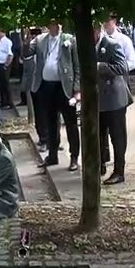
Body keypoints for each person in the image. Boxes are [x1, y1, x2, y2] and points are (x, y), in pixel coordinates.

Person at [27, 21, 81, 171]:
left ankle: (74, 157)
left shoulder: (69, 40)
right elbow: (27, 53)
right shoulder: (41, 40)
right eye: (52, 25)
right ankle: (52, 155)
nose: (55, 28)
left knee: (71, 124)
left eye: (58, 25)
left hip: (64, 87)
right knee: (51, 122)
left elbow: (77, 66)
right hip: (46, 86)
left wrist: (76, 89)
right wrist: (27, 38)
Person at [97, 31, 132, 185]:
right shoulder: (86, 45)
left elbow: (121, 67)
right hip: (98, 99)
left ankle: (119, 171)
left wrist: (100, 66)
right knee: (99, 134)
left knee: (117, 136)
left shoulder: (111, 44)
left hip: (114, 99)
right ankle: (100, 164)